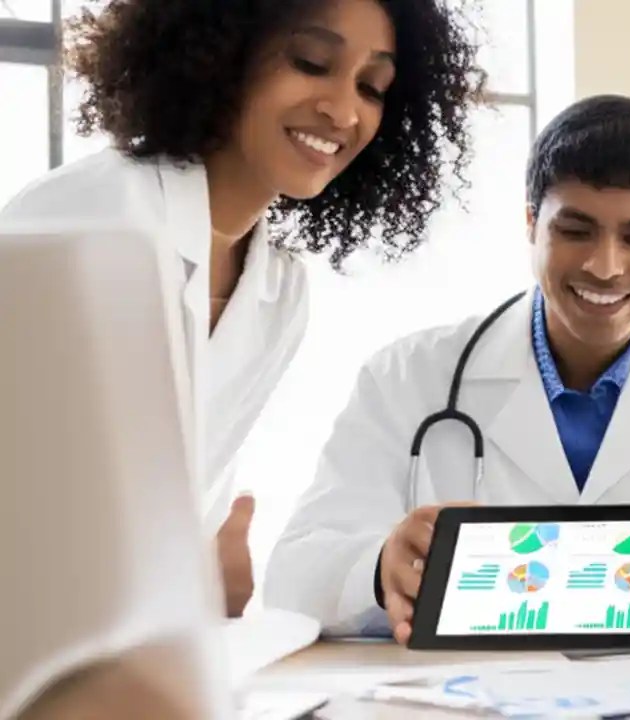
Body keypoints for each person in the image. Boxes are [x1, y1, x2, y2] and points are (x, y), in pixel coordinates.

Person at [264, 94, 630, 642]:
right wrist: (379, 568)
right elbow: (295, 573)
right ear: (531, 225)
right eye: (575, 231)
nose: (605, 267)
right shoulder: (408, 375)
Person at [0, 0, 483, 617]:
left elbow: (184, 533)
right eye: (311, 62)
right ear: (221, 58)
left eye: (371, 87)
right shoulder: (92, 214)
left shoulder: (278, 288)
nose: (342, 109)